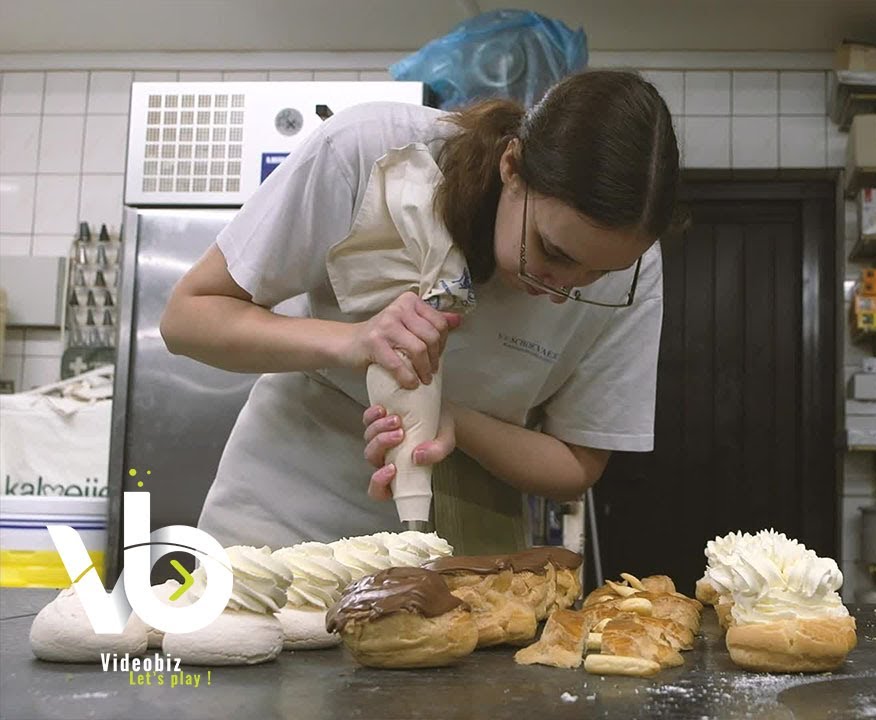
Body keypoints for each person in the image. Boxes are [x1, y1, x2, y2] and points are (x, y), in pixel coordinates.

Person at [159, 70, 681, 553]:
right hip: (285, 522)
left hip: (463, 548)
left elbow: (576, 462)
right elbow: (189, 318)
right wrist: (355, 341)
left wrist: (447, 418)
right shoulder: (372, 152)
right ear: (513, 168)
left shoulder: (632, 263)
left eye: (596, 275)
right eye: (553, 253)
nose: (566, 290)